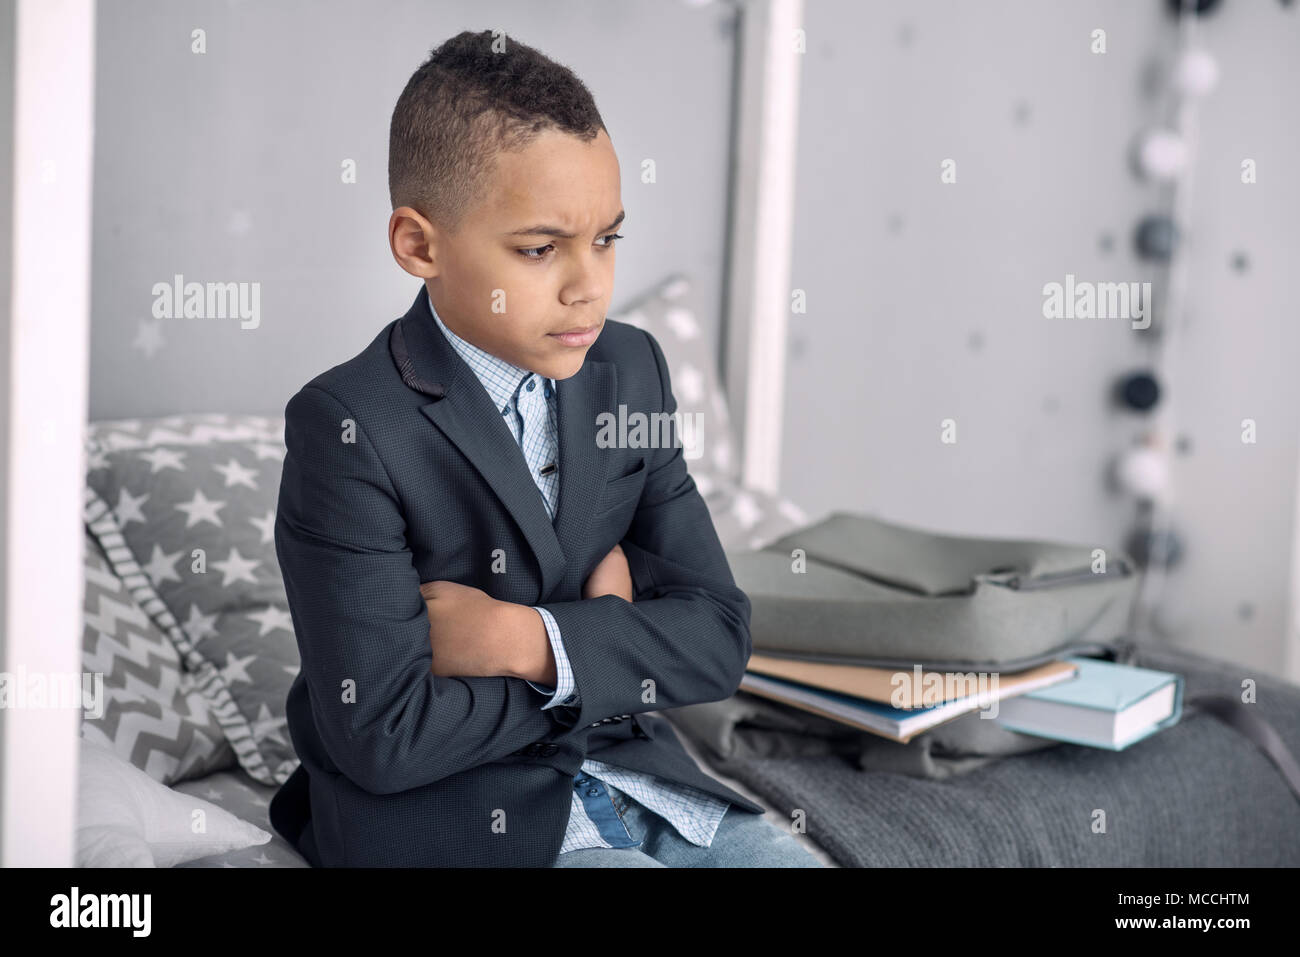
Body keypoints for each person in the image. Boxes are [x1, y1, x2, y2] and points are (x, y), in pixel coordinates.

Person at [268, 28, 823, 868]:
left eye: (607, 239)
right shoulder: (348, 427)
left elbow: (716, 636)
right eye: (540, 249)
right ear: (421, 245)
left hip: (640, 784)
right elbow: (384, 732)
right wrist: (607, 644)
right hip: (456, 822)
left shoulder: (629, 369)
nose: (589, 284)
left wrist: (527, 641)